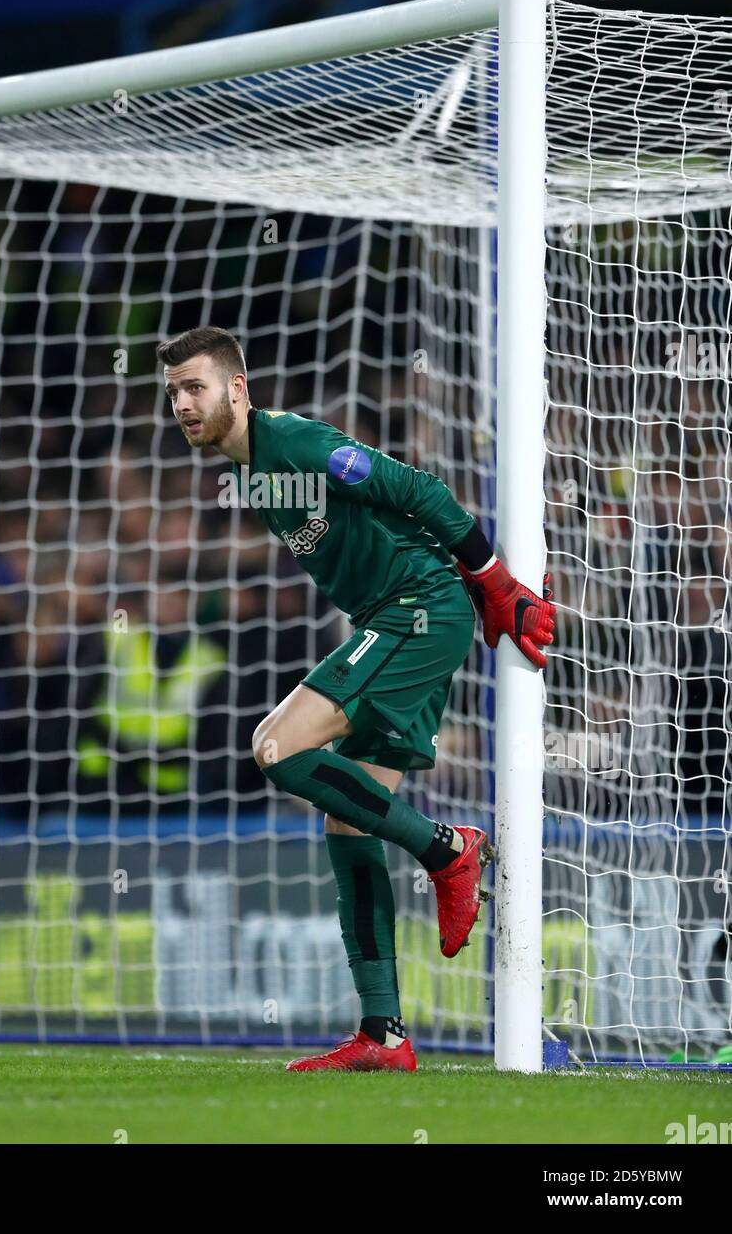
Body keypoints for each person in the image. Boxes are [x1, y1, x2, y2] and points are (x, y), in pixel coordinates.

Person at [157, 325, 556, 1073]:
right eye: (174, 391)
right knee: (347, 819)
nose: (182, 403)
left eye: (195, 387)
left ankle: (448, 848)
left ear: (236, 390)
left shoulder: (297, 447)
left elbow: (417, 490)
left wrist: (493, 579)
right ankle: (385, 1034)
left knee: (275, 746)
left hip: (419, 610)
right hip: (393, 619)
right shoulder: (249, 468)